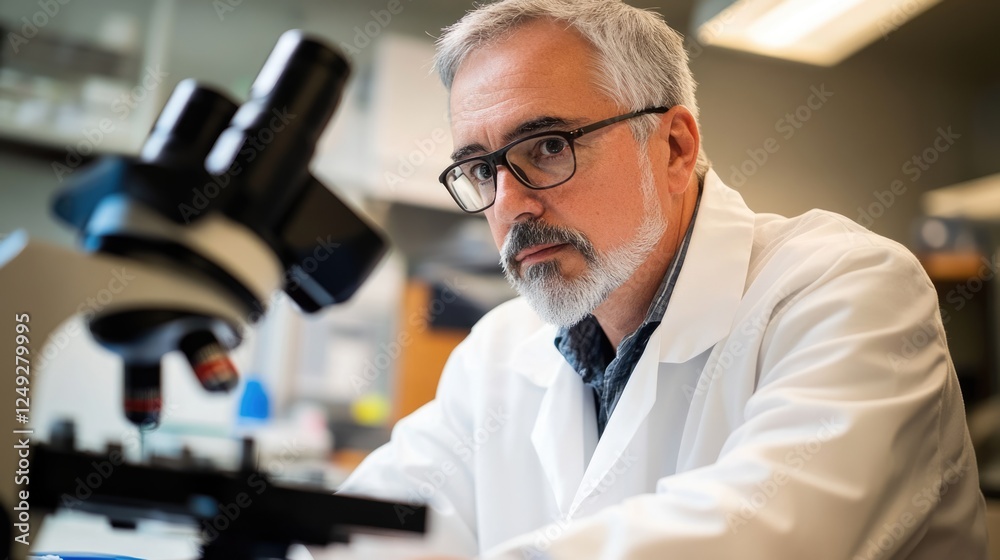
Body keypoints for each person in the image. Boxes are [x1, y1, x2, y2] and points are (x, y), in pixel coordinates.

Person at [338, 1, 989, 558]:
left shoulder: (849, 291)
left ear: (674, 147)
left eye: (548, 147)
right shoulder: (498, 354)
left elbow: (753, 539)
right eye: (481, 169)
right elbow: (366, 529)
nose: (509, 205)